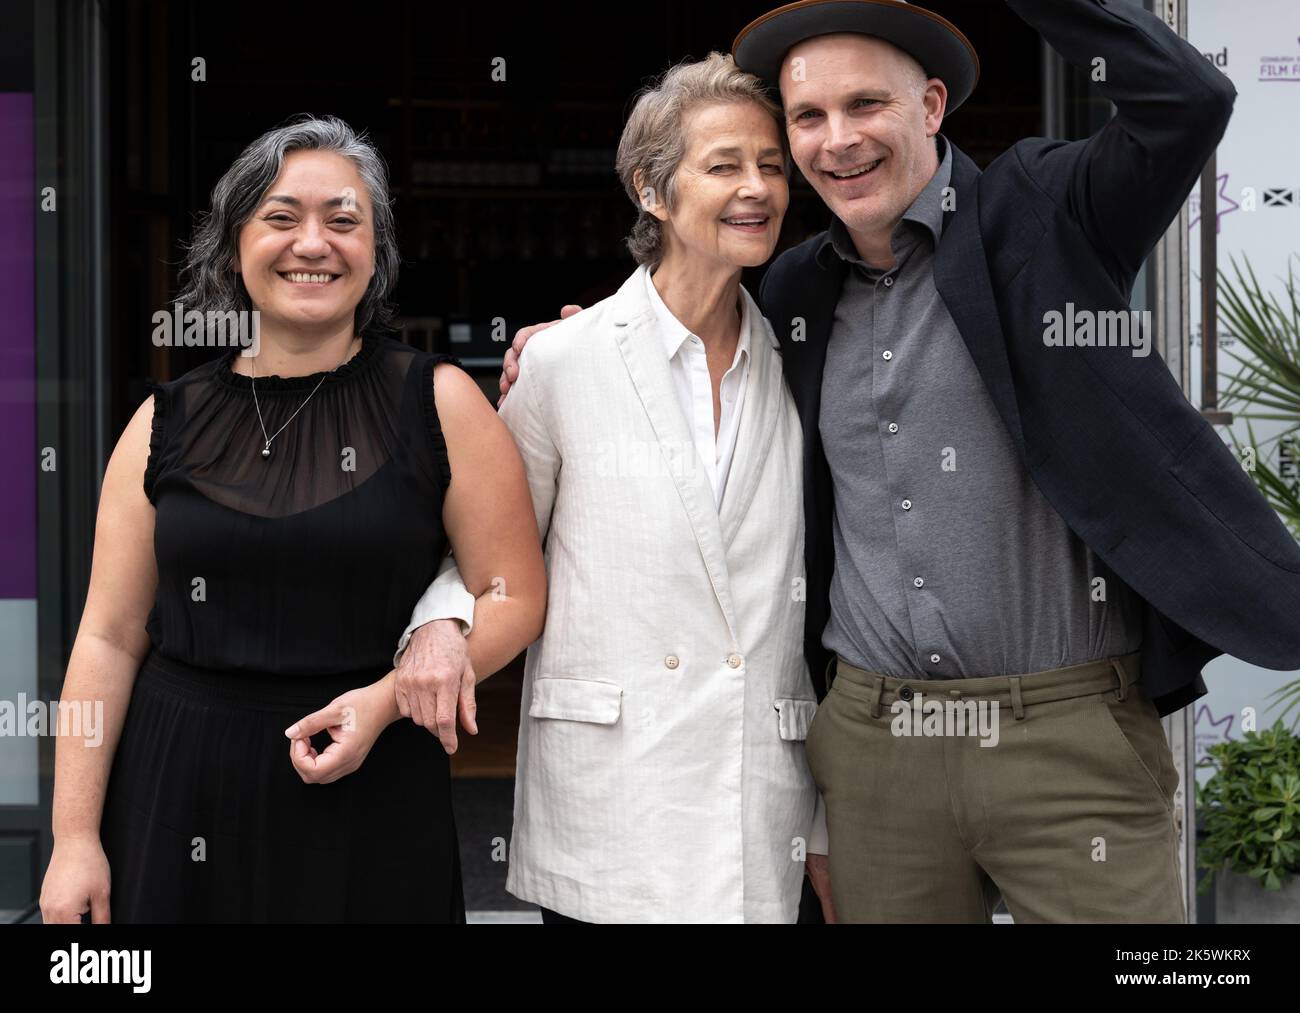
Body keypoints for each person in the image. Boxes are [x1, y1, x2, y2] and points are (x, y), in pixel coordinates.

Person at [498, 0, 1300, 923]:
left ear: (929, 106)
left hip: (1069, 740)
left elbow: (1188, 98)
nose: (837, 140)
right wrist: (582, 341)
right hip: (876, 751)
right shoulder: (794, 288)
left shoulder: (1044, 213)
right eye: (807, 118)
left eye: (865, 105)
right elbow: (684, 334)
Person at [38, 115, 546, 924]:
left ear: (375, 249)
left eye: (343, 220)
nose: (313, 243)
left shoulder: (440, 401)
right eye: (281, 217)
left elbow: (514, 594)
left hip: (372, 786)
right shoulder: (162, 420)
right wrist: (72, 837)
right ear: (234, 242)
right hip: (177, 793)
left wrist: (387, 699)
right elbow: (106, 635)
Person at [404, 53, 831, 924]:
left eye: (772, 166)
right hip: (613, 798)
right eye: (724, 165)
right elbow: (494, 552)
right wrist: (439, 625)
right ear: (651, 189)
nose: (758, 188)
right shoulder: (564, 361)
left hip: (759, 794)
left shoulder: (808, 354)